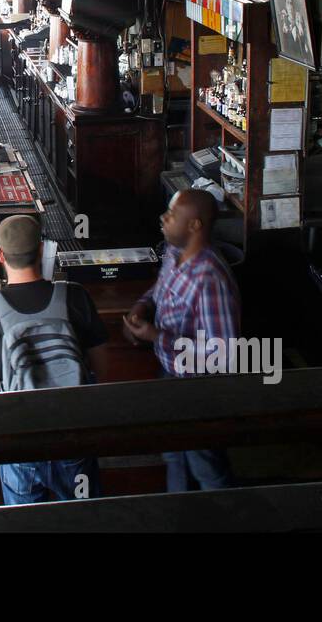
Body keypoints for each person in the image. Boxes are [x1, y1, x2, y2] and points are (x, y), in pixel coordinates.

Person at [0, 214, 109, 505]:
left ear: (1, 256)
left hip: (20, 440)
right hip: (73, 437)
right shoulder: (75, 296)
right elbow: (101, 369)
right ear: (42, 250)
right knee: (86, 517)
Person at [123, 188, 241, 492]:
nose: (163, 218)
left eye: (172, 215)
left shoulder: (209, 278)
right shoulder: (175, 254)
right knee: (175, 455)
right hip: (170, 376)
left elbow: (223, 354)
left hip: (198, 390)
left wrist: (155, 336)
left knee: (207, 469)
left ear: (195, 225)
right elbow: (159, 292)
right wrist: (142, 305)